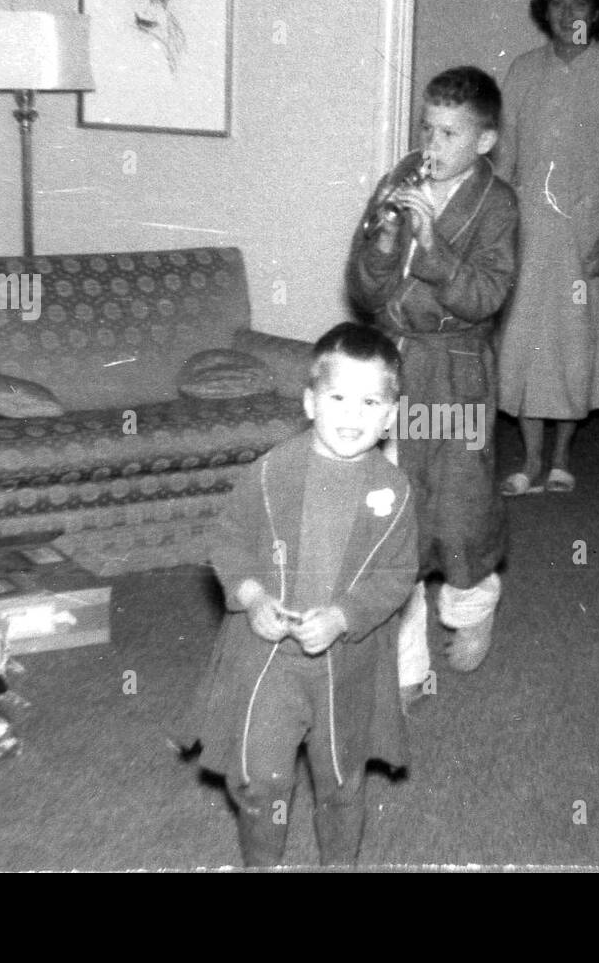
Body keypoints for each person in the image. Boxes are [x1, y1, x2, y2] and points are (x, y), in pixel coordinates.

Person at [171, 323, 418, 867]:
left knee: (341, 779)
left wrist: (345, 614)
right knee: (258, 779)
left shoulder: (393, 491)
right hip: (269, 660)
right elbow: (229, 540)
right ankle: (263, 863)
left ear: (390, 416)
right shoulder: (270, 472)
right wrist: (252, 595)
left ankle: (338, 864)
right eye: (337, 398)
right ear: (310, 402)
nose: (352, 416)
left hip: (346, 665)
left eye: (370, 401)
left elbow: (398, 573)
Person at [346, 66, 519, 696]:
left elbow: (486, 295)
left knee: (459, 507)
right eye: (427, 128)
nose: (433, 145)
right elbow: (362, 288)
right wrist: (388, 242)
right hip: (397, 366)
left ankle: (471, 609)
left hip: (456, 374)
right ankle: (407, 665)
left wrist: (434, 243)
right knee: (394, 509)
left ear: (483, 141)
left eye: (449, 133)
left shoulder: (498, 205)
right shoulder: (401, 178)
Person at [495, 0, 599, 496]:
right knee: (523, 347)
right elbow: (501, 166)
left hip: (588, 238)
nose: (569, 14)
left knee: (576, 347)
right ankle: (529, 460)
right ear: (544, 11)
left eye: (579, 3)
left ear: (597, 9)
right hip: (527, 235)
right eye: (557, 4)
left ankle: (562, 457)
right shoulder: (522, 71)